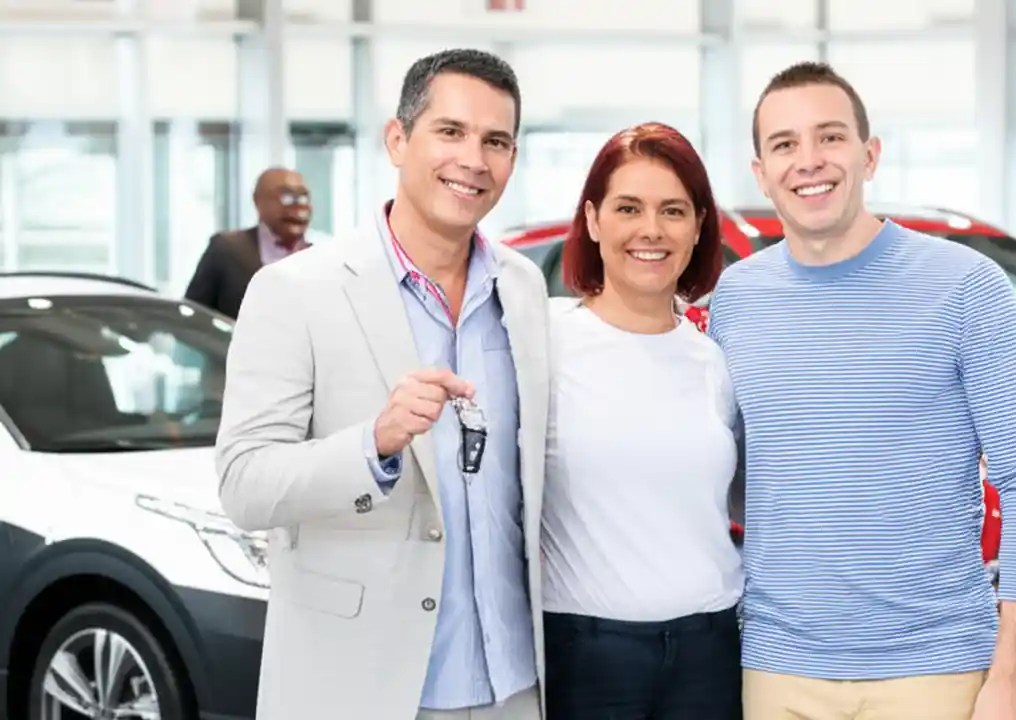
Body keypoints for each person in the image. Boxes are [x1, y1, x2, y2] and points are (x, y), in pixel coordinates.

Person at [707, 61, 1016, 720]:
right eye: (785, 144)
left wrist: (1014, 675)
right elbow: (739, 474)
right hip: (777, 666)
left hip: (934, 668)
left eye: (830, 137)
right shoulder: (737, 298)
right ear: (761, 172)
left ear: (869, 155)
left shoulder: (966, 286)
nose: (809, 161)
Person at [215, 48, 549, 720]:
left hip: (513, 683)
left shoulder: (522, 286)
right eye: (450, 132)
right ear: (397, 140)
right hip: (364, 686)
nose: (474, 160)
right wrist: (375, 443)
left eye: (496, 141)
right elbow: (244, 484)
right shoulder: (295, 290)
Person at [540, 122, 744, 719]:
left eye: (672, 211)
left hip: (710, 651)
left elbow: (749, 499)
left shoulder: (717, 356)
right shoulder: (544, 340)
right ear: (593, 219)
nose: (651, 230)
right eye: (628, 208)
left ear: (698, 226)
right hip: (584, 657)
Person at [184, 167, 313, 318]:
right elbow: (193, 314)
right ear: (258, 200)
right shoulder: (226, 249)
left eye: (304, 197)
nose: (299, 207)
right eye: (287, 197)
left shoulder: (319, 258)